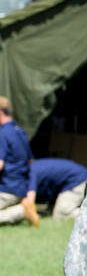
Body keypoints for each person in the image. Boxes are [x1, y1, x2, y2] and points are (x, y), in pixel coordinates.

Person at [0, 95, 38, 227]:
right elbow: (30, 162)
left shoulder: (2, 134)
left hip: (6, 190)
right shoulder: (21, 132)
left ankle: (21, 211)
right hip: (21, 189)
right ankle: (21, 208)